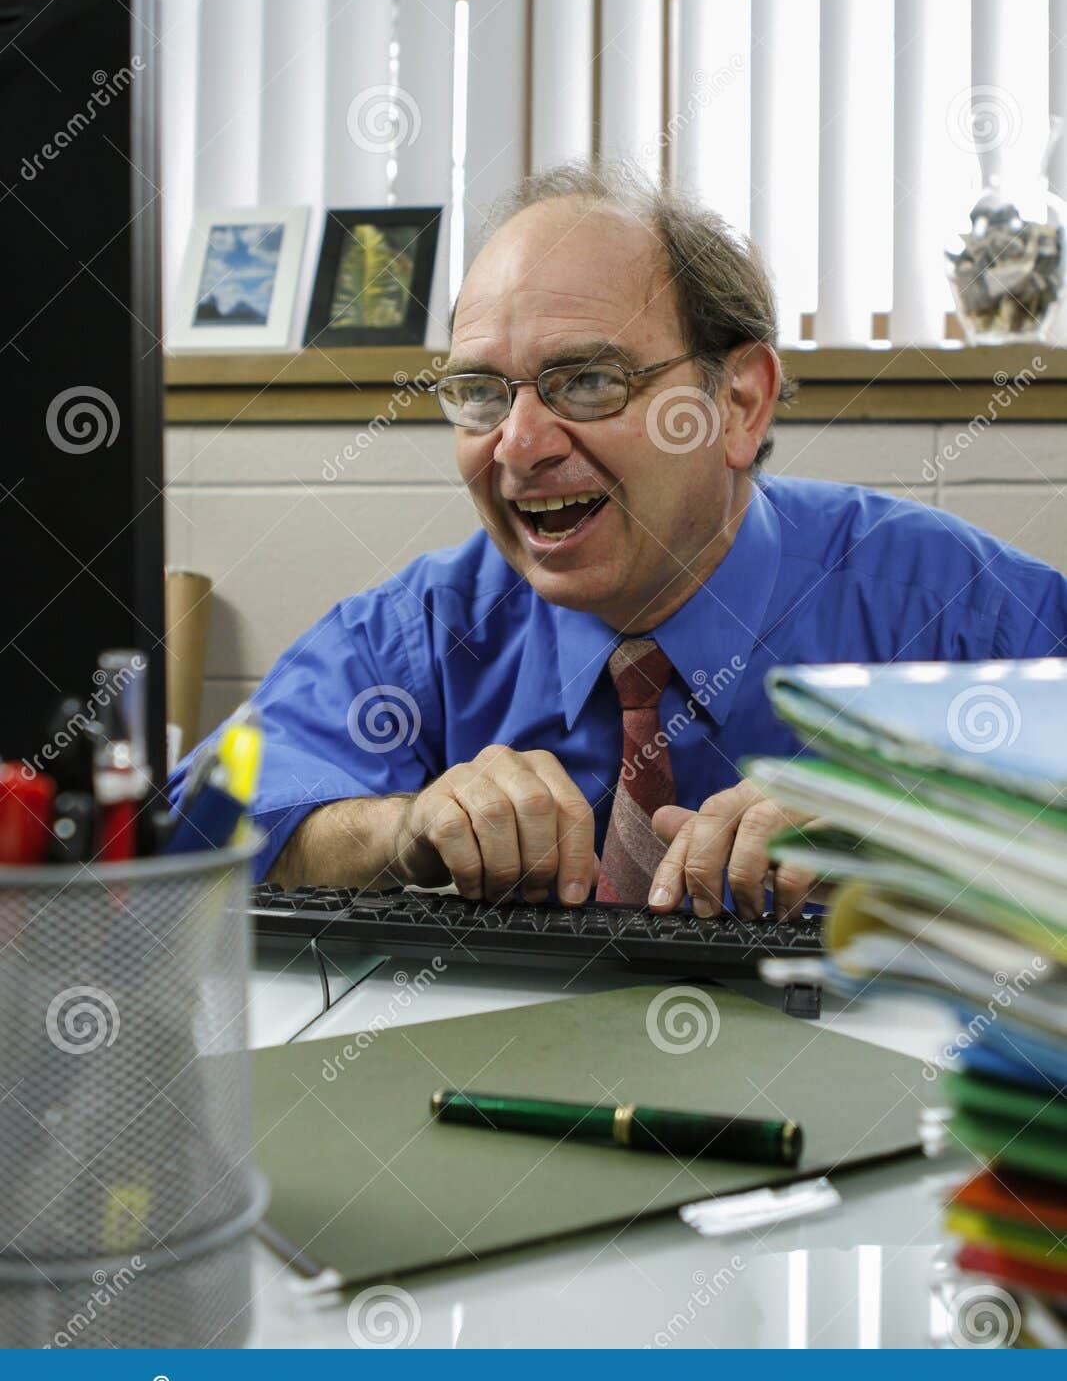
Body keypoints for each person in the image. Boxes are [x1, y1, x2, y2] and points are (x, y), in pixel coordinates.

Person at [168, 162, 1067, 919]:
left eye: (590, 380)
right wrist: (401, 831)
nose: (518, 445)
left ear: (737, 404)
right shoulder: (422, 632)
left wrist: (925, 833)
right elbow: (192, 831)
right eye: (480, 392)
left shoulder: (956, 609)